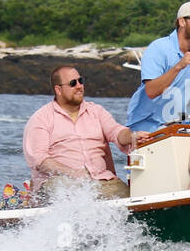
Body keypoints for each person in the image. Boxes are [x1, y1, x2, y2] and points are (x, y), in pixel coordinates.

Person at [23, 65, 145, 200]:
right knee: (65, 190)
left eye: (80, 81)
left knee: (135, 200)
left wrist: (132, 136)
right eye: (72, 83)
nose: (79, 86)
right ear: (58, 89)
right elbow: (40, 160)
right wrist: (74, 174)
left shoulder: (97, 111)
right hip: (59, 182)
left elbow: (116, 132)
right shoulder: (41, 118)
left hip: (102, 181)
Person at [125, 2, 190, 132]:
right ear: (182, 22)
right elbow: (151, 91)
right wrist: (178, 66)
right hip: (147, 127)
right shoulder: (157, 48)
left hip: (178, 126)